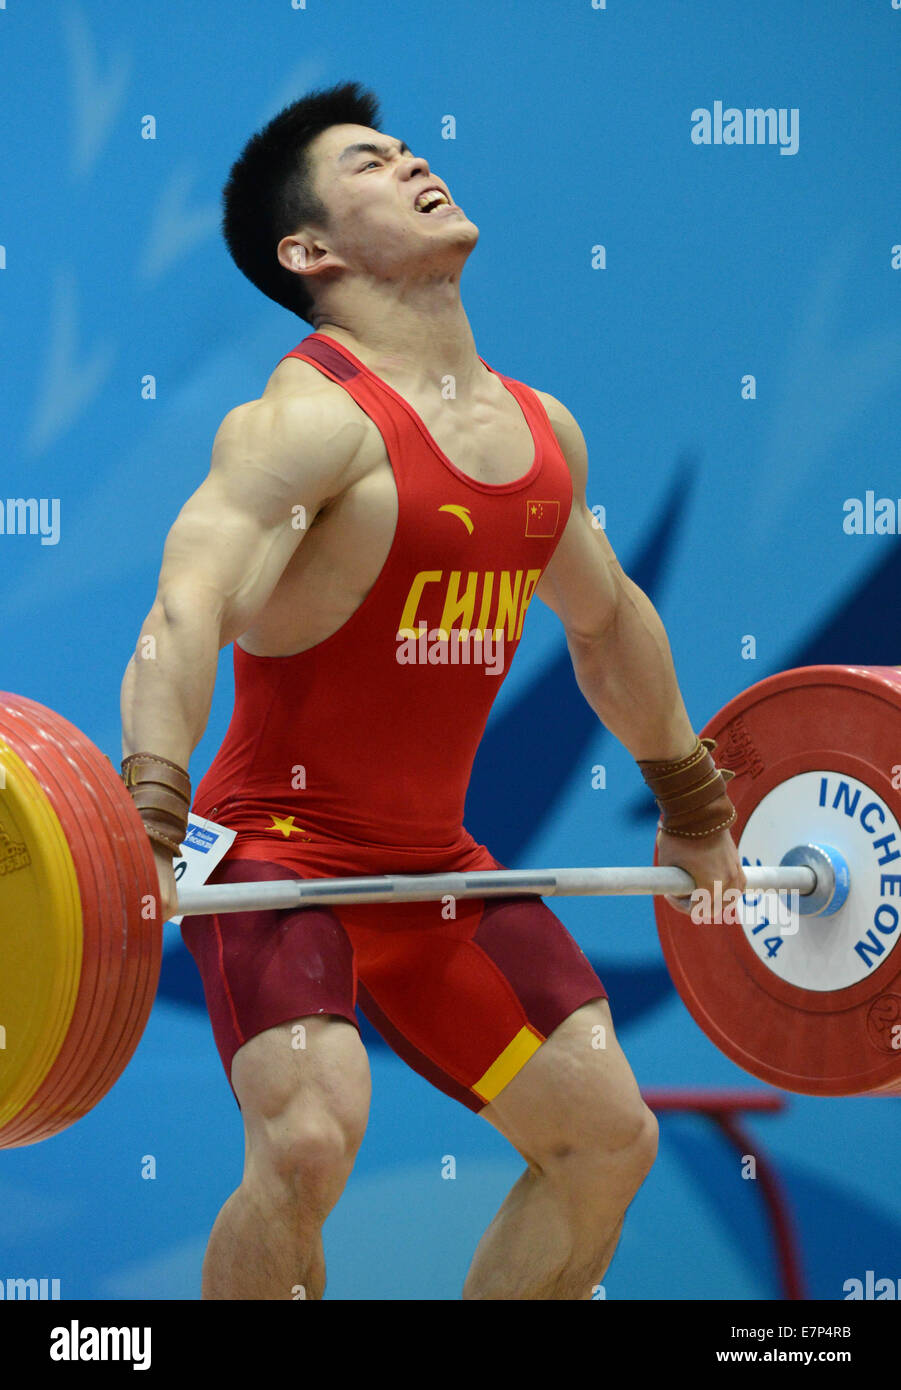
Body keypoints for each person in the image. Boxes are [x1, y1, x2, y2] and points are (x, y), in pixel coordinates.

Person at [119, 80, 745, 1300]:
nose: (413, 162)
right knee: (305, 1142)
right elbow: (185, 615)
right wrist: (152, 818)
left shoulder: (537, 430)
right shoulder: (302, 429)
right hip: (275, 856)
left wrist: (693, 798)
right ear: (310, 251)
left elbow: (607, 622)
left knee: (606, 1144)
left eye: (408, 147)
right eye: (368, 162)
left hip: (434, 868)